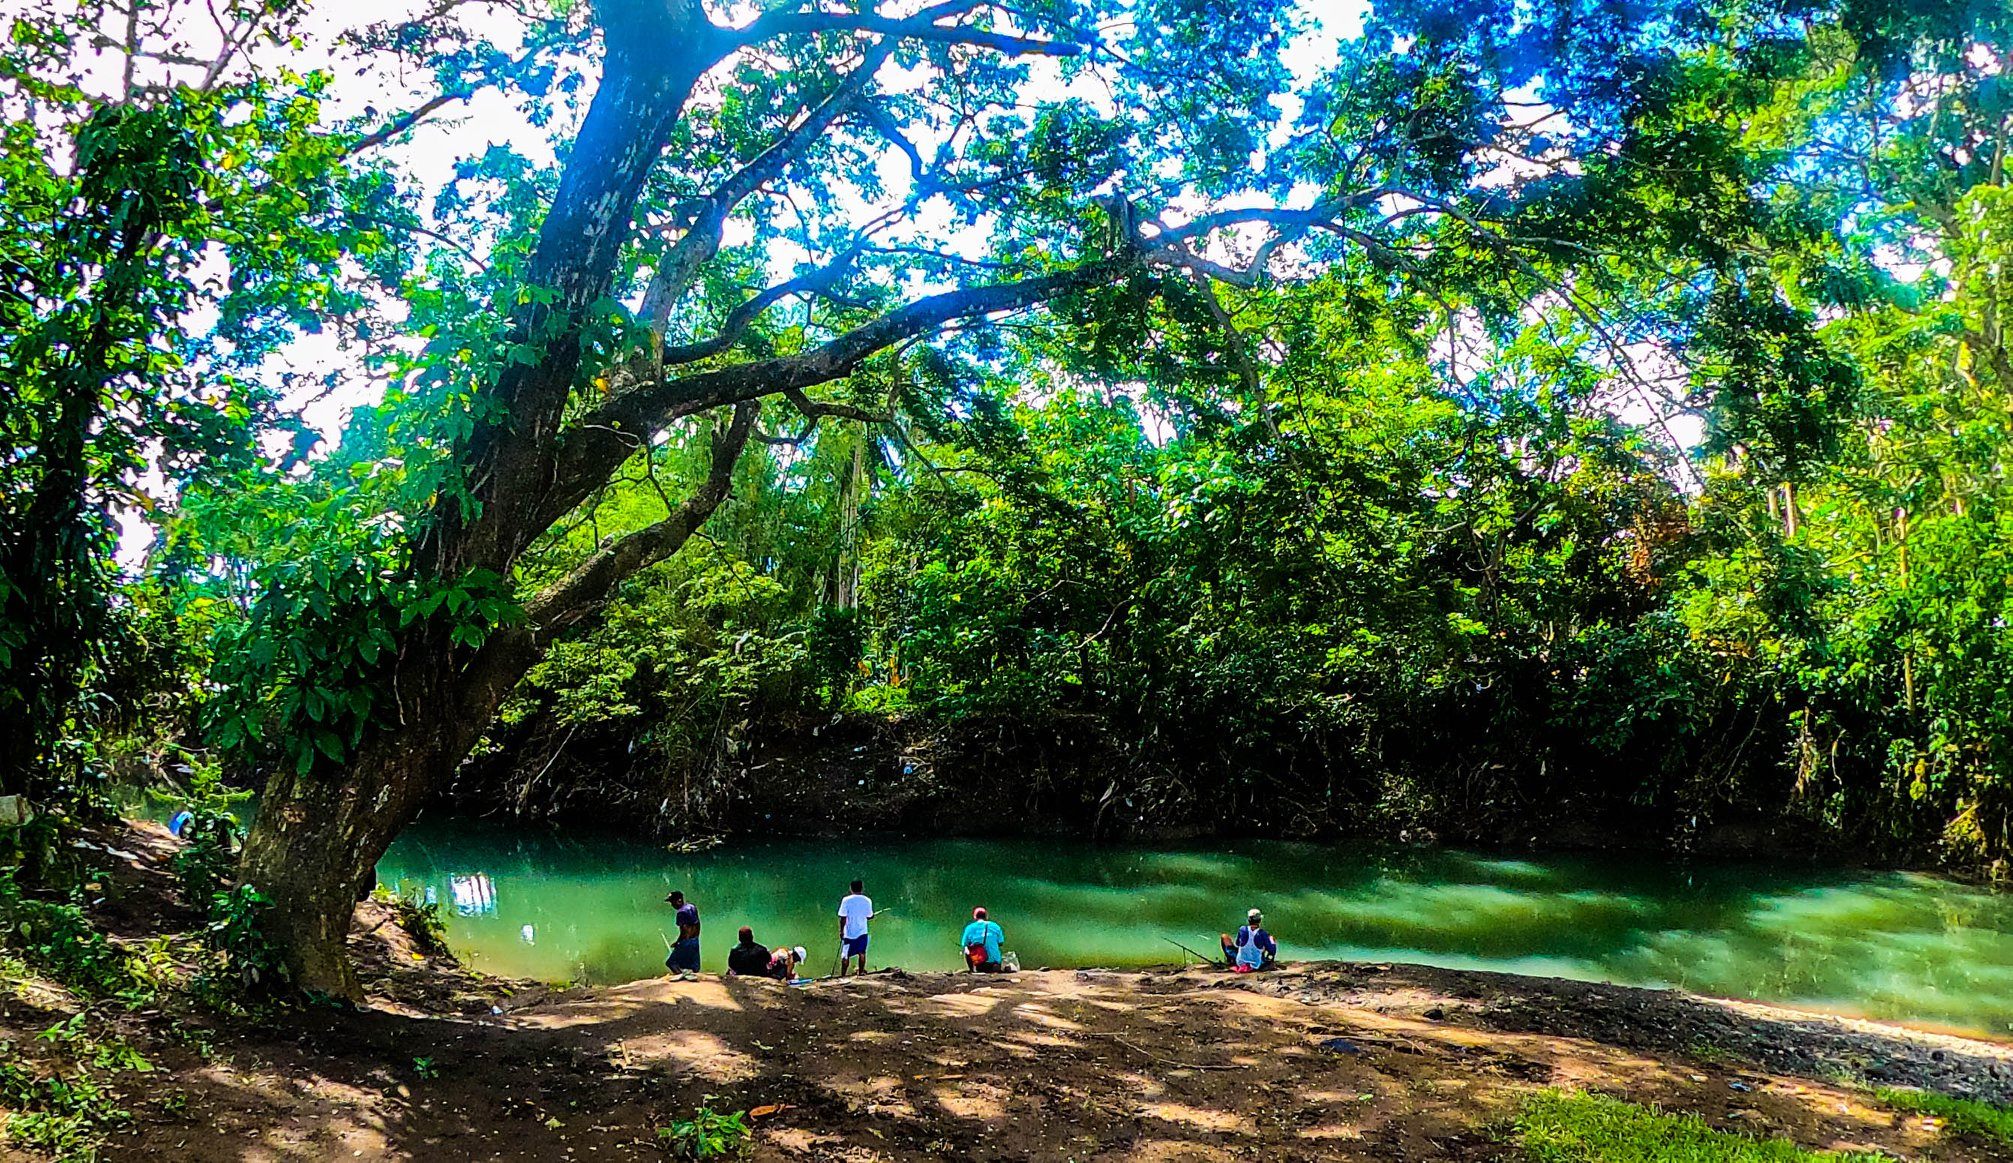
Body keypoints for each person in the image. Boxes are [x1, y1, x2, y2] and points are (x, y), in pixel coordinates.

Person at [837, 879, 875, 976]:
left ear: (851, 888)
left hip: (848, 932)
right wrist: (871, 916)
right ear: (862, 888)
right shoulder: (867, 900)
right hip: (862, 931)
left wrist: (841, 931)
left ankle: (843, 975)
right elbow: (869, 915)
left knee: (845, 955)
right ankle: (861, 972)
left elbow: (843, 917)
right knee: (861, 952)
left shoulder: (846, 900)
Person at [1220, 907, 1277, 972]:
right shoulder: (1263, 933)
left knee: (1224, 937)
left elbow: (1237, 944)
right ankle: (1267, 961)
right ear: (1260, 920)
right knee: (1271, 939)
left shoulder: (1242, 929)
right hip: (1256, 964)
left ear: (1248, 920)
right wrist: (1270, 941)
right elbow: (1272, 951)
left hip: (1240, 962)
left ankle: (1230, 960)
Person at [664, 890, 701, 973]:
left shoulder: (681, 913)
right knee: (693, 966)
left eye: (673, 902)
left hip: (687, 942)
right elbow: (697, 924)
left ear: (679, 900)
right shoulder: (692, 907)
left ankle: (681, 977)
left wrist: (678, 942)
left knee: (671, 963)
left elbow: (685, 931)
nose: (672, 905)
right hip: (695, 940)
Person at [960, 906, 1005, 973]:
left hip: (980, 963)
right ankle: (994, 962)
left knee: (967, 948)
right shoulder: (995, 926)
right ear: (986, 916)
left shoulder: (969, 928)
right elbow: (1001, 942)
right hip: (995, 963)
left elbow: (964, 944)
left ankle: (972, 970)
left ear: (975, 916)